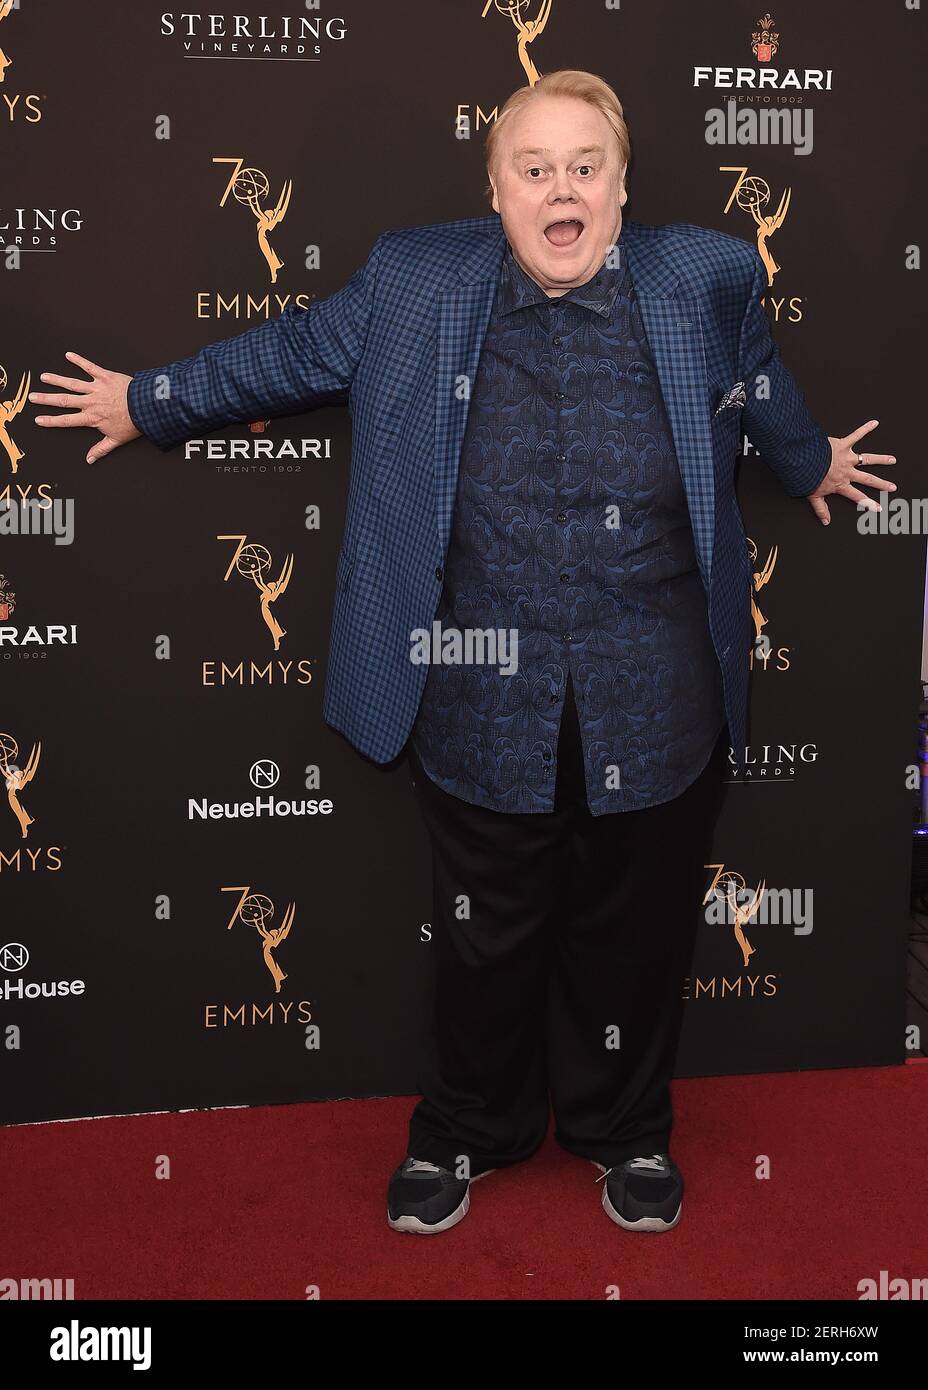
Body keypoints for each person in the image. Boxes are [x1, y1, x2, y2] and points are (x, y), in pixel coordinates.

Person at [30, 70, 895, 1236]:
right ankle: (467, 1131)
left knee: (633, 941)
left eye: (585, 166)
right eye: (533, 169)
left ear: (623, 185)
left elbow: (762, 385)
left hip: (657, 689)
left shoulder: (706, 276)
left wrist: (807, 463)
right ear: (493, 189)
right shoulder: (415, 277)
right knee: (485, 944)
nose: (562, 190)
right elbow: (293, 354)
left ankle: (625, 1132)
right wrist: (151, 396)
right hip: (479, 692)